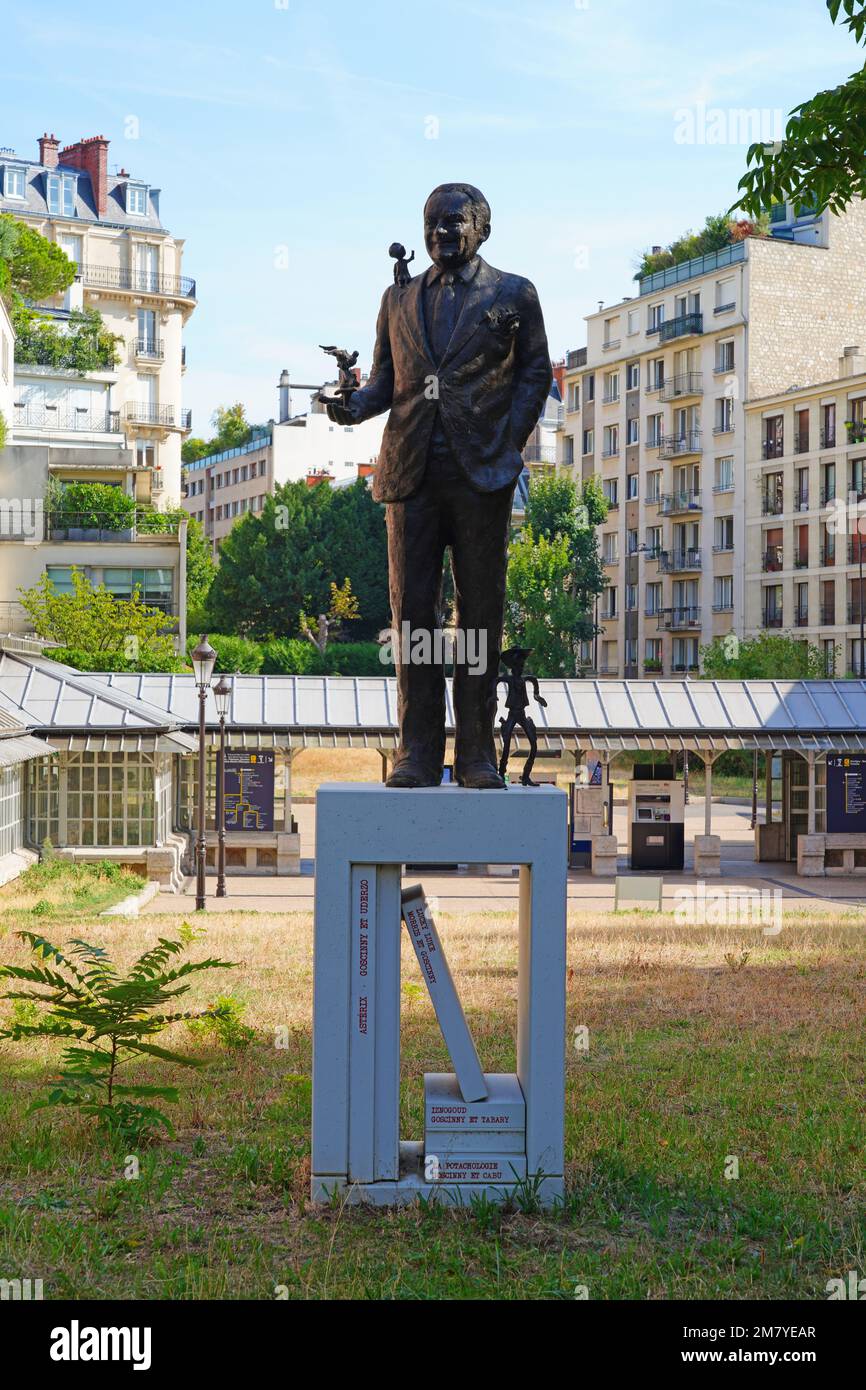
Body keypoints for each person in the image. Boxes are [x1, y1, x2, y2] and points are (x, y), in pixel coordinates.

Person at [322, 182, 551, 788]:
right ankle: (417, 752)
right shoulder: (397, 299)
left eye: (452, 223)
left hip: (482, 475)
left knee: (479, 616)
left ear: (481, 228)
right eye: (431, 225)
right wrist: (349, 407)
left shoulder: (514, 294)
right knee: (410, 619)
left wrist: (510, 441)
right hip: (410, 473)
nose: (440, 234)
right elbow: (383, 383)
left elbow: (535, 372)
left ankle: (475, 752)